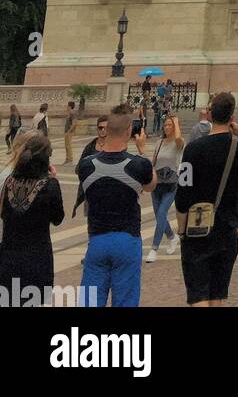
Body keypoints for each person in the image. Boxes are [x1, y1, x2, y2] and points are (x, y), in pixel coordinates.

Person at [174, 91, 238, 308]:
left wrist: (181, 229)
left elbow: (182, 195)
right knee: (217, 296)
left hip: (198, 229)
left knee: (198, 296)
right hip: (227, 229)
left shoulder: (193, 149)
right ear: (232, 117)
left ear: (210, 115)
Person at [77, 104, 154, 307]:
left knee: (90, 301)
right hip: (127, 239)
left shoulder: (86, 165)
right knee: (126, 301)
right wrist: (142, 150)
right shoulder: (139, 164)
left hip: (97, 239)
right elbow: (151, 184)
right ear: (129, 130)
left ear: (106, 130)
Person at [0, 132, 64, 300]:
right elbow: (58, 218)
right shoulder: (49, 185)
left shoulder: (8, 182)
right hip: (37, 258)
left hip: (9, 256)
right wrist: (53, 179)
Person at [147, 114, 183, 262]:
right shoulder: (160, 142)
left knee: (162, 212)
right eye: (166, 125)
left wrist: (176, 121)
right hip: (157, 182)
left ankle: (154, 249)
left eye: (170, 125)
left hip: (171, 183)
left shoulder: (178, 143)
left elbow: (179, 140)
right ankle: (172, 237)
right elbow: (153, 162)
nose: (167, 127)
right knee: (158, 214)